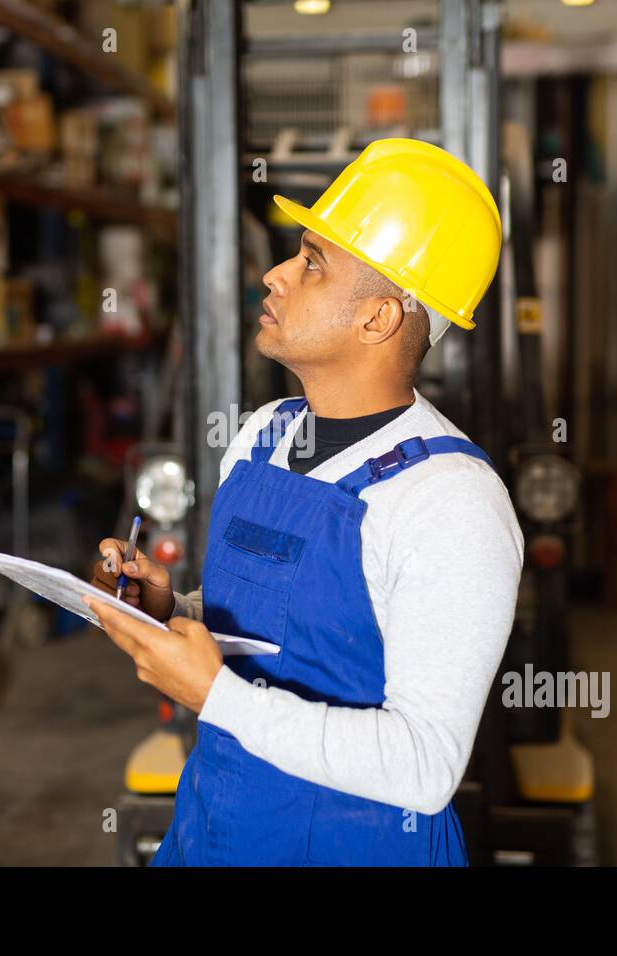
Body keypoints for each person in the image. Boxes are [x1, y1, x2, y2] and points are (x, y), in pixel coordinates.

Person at [86, 138, 523, 866]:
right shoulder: (263, 436)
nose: (276, 275)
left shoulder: (450, 504)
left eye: (313, 264)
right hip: (216, 827)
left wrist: (216, 694)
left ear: (378, 319)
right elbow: (283, 632)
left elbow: (424, 766)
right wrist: (171, 608)